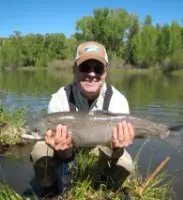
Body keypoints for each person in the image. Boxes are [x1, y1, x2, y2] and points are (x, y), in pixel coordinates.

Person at [30, 41, 135, 198]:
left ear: (106, 71)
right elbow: (61, 151)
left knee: (125, 164)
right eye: (85, 67)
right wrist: (64, 151)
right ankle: (49, 190)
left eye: (98, 68)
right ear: (74, 70)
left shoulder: (118, 101)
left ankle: (103, 189)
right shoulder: (59, 99)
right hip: (69, 151)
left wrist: (118, 147)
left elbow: (116, 150)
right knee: (40, 150)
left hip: (102, 150)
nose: (91, 74)